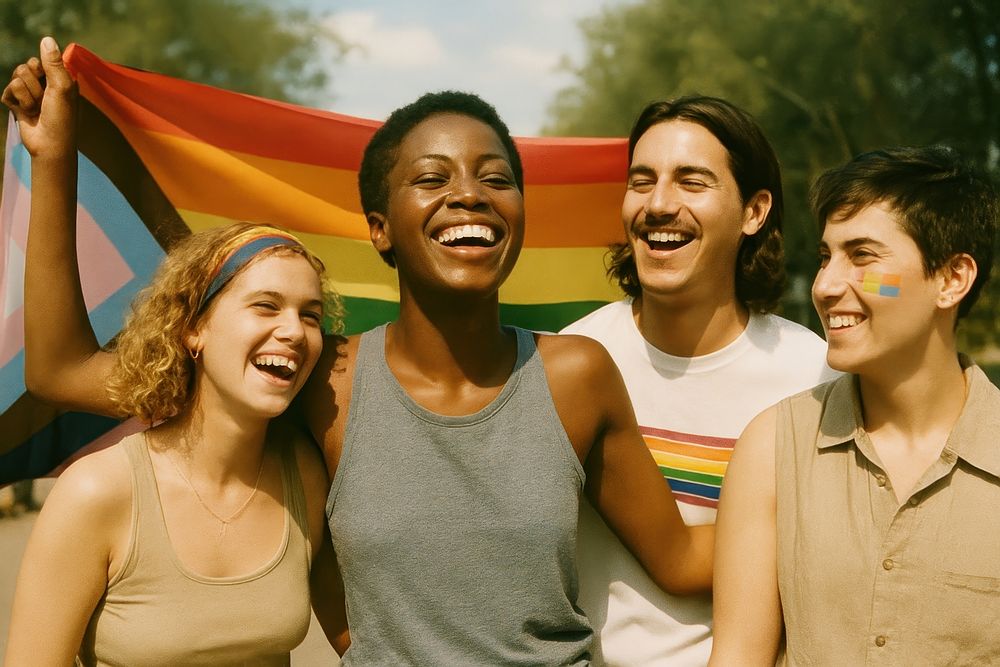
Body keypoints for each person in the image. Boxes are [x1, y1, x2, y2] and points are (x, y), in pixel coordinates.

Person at [10, 38, 713, 666]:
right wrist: (54, 161)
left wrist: (804, 490)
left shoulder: (577, 374)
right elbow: (63, 370)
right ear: (380, 228)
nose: (468, 194)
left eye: (496, 178)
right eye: (432, 179)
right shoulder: (325, 380)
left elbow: (680, 559)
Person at [3, 38, 348, 665]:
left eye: (311, 314)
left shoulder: (303, 474)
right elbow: (57, 365)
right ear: (193, 329)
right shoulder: (97, 494)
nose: (295, 331)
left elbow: (365, 639)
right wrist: (55, 157)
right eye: (265, 306)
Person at [561, 96, 834, 665]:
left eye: (692, 182)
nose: (659, 204)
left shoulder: (815, 375)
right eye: (642, 181)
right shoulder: (573, 359)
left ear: (754, 212)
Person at [710, 146, 1000, 665]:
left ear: (952, 279)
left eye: (863, 257)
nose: (825, 285)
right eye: (826, 256)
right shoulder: (774, 446)